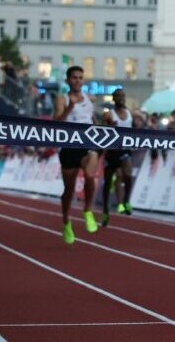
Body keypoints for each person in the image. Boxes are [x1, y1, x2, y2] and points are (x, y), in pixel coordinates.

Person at [52, 66, 99, 244]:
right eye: (74, 78)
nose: (78, 80)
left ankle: (87, 210)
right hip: (68, 147)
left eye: (80, 77)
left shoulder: (90, 98)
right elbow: (56, 122)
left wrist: (101, 130)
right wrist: (68, 109)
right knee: (69, 190)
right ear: (67, 80)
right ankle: (66, 221)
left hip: (87, 144)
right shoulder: (61, 99)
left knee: (89, 175)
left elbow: (92, 119)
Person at [100, 89, 134, 226]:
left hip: (125, 149)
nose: (121, 98)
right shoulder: (109, 114)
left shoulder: (129, 114)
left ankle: (126, 200)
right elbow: (101, 131)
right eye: (118, 96)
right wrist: (109, 126)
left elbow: (136, 128)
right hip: (111, 151)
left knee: (128, 175)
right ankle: (105, 210)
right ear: (113, 99)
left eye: (122, 96)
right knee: (108, 182)